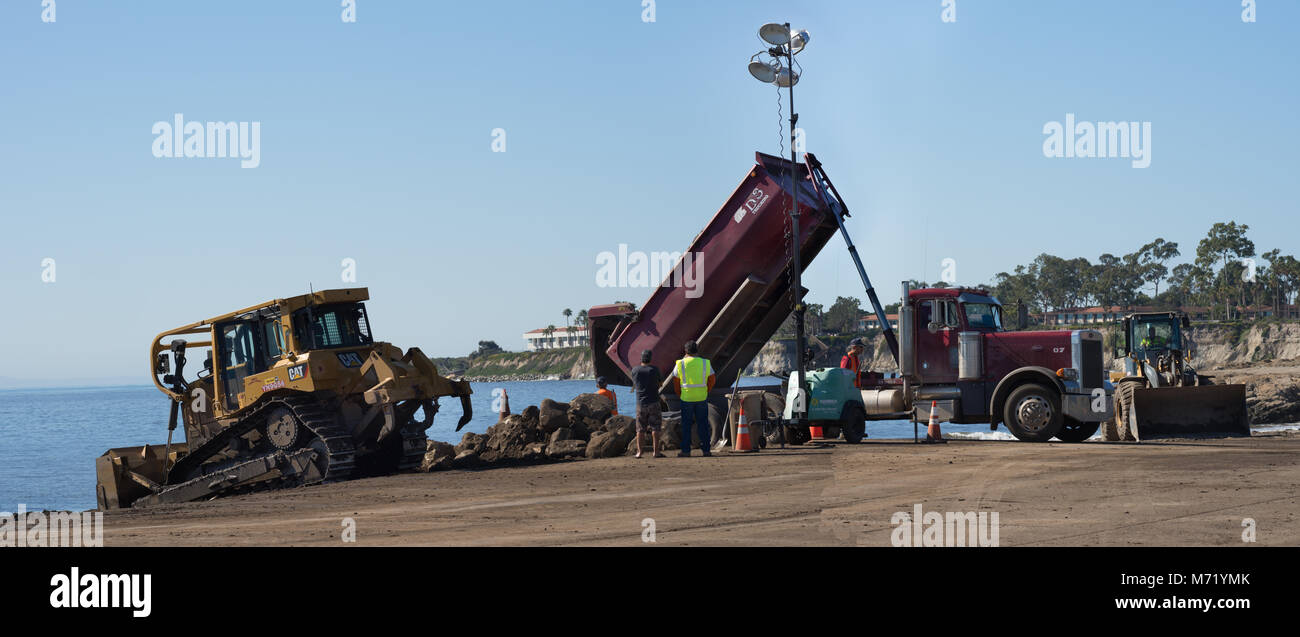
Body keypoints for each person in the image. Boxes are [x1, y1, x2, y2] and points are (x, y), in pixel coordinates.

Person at [672, 340, 715, 457]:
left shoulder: (680, 364)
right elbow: (712, 379)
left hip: (686, 398)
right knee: (703, 424)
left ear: (686, 351)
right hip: (701, 397)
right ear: (697, 350)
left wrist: (679, 394)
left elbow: (676, 381)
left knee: (686, 425)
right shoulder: (705, 363)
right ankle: (706, 450)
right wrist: (706, 390)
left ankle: (686, 451)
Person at [630, 350, 664, 459]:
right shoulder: (654, 370)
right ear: (650, 358)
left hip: (640, 403)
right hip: (654, 401)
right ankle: (656, 452)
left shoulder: (635, 370)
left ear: (641, 358)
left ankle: (639, 452)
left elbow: (634, 383)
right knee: (655, 428)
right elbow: (660, 384)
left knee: (640, 429)